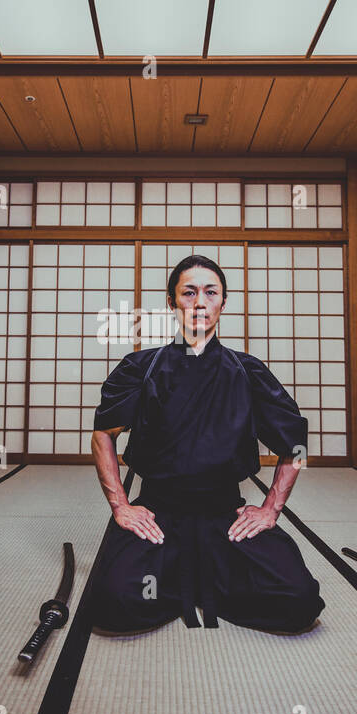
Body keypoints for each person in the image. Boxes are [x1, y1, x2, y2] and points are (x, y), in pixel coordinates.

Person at [88, 254, 325, 633]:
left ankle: (198, 575)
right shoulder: (140, 367)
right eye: (189, 292)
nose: (200, 302)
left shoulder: (247, 370)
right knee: (111, 603)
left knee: (298, 601)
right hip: (157, 512)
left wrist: (270, 510)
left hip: (225, 514)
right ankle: (201, 576)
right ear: (172, 301)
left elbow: (294, 443)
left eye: (211, 292)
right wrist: (122, 507)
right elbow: (104, 435)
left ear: (223, 303)